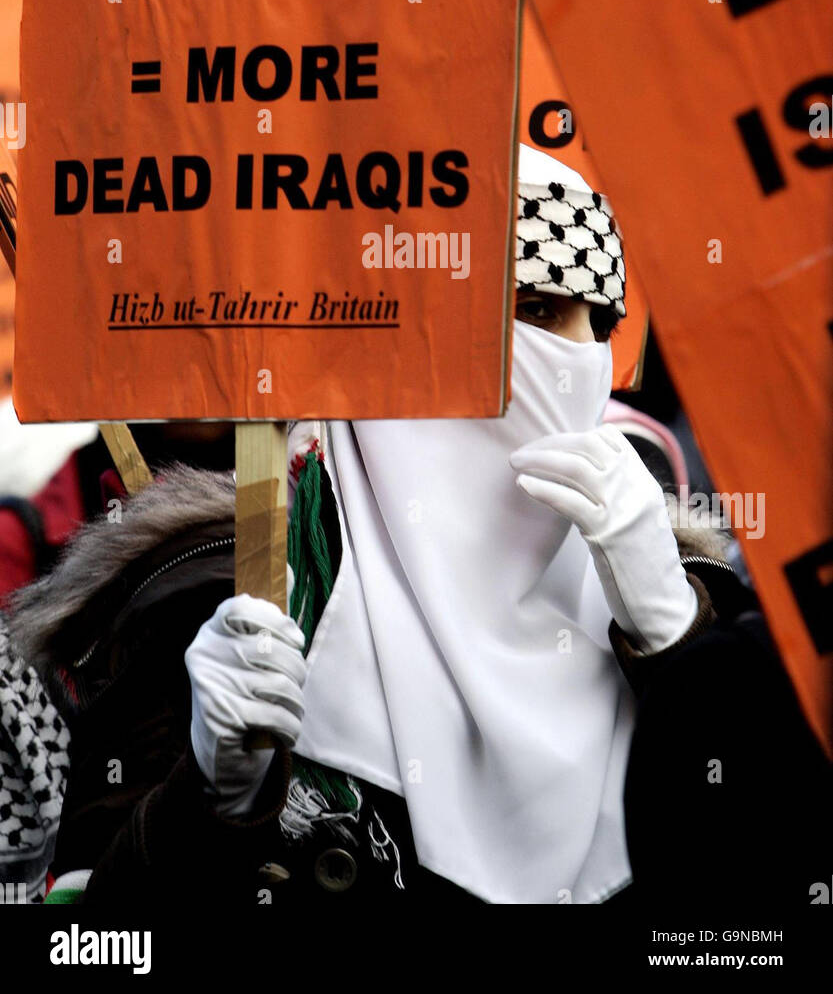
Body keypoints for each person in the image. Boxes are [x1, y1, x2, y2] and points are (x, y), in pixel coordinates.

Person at [9, 146, 825, 905]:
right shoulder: (225, 587)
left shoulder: (670, 590)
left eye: (599, 324)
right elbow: (93, 947)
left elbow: (759, 913)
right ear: (410, 340)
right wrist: (212, 799)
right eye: (535, 310)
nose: (579, 360)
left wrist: (680, 646)